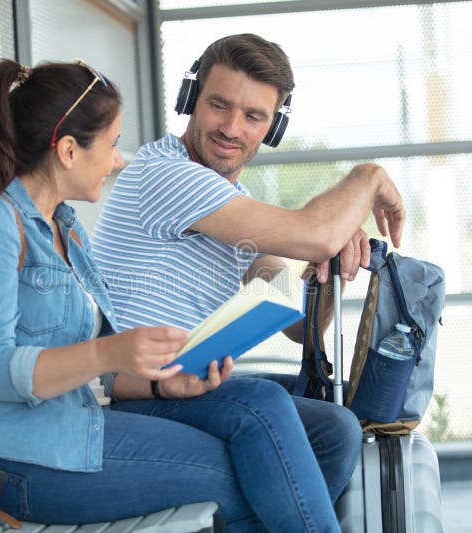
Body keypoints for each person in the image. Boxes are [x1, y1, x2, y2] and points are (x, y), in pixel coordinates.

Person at [0, 58, 343, 532]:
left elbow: (88, 377)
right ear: (67, 150)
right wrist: (108, 350)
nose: (120, 160)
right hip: (2, 453)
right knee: (238, 471)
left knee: (280, 447)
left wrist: (162, 385)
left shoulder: (65, 228)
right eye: (112, 144)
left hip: (68, 424)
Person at [91, 33, 407, 502]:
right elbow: (311, 230)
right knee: (332, 429)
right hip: (136, 394)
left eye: (253, 116)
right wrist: (369, 178)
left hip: (185, 383)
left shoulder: (232, 204)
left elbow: (298, 323)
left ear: (272, 128)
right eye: (220, 106)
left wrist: (327, 261)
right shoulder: (168, 174)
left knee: (322, 406)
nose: (232, 128)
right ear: (191, 100)